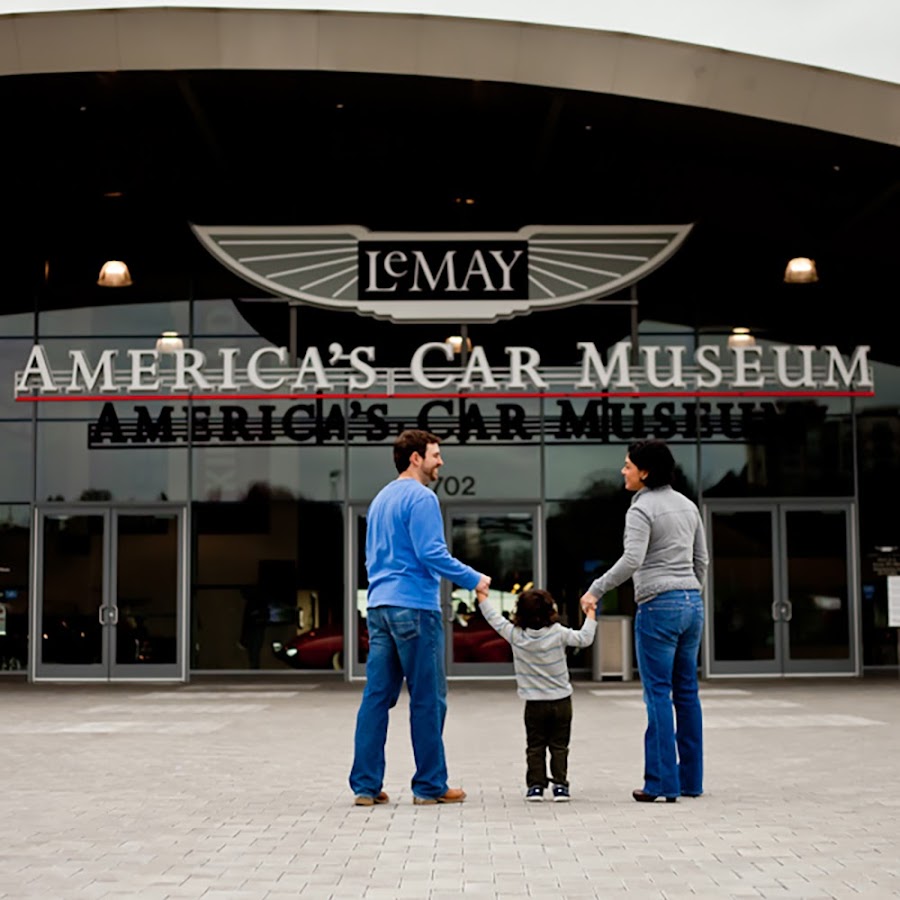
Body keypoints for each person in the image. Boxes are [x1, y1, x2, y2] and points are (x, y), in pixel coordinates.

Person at [349, 429, 491, 807]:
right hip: (414, 608)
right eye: (435, 454)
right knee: (428, 699)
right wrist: (474, 578)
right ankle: (429, 786)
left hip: (379, 608)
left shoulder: (380, 499)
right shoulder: (421, 497)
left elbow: (373, 557)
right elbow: (432, 554)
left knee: (376, 698)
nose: (440, 461)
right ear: (415, 458)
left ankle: (365, 786)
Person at [580, 439, 708, 803]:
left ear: (645, 472)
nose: (623, 471)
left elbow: (632, 559)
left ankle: (661, 785)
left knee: (657, 695)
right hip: (691, 603)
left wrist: (596, 589)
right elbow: (702, 560)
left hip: (658, 606)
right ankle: (691, 781)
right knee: (687, 693)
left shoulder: (641, 509)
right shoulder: (687, 505)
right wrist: (691, 592)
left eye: (627, 465)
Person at [475, 585, 596, 802]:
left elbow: (494, 619)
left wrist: (482, 597)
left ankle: (536, 787)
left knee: (535, 746)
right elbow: (584, 638)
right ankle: (560, 786)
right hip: (561, 701)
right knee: (559, 745)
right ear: (551, 611)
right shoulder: (558, 633)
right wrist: (591, 613)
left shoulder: (515, 635)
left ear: (519, 612)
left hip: (534, 703)